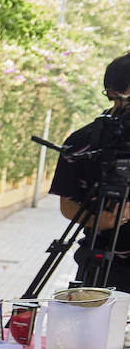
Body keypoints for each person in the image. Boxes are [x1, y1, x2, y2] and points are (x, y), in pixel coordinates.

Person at [49, 52, 130, 292]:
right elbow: (67, 205)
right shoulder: (83, 141)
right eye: (119, 98)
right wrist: (98, 220)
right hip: (101, 263)